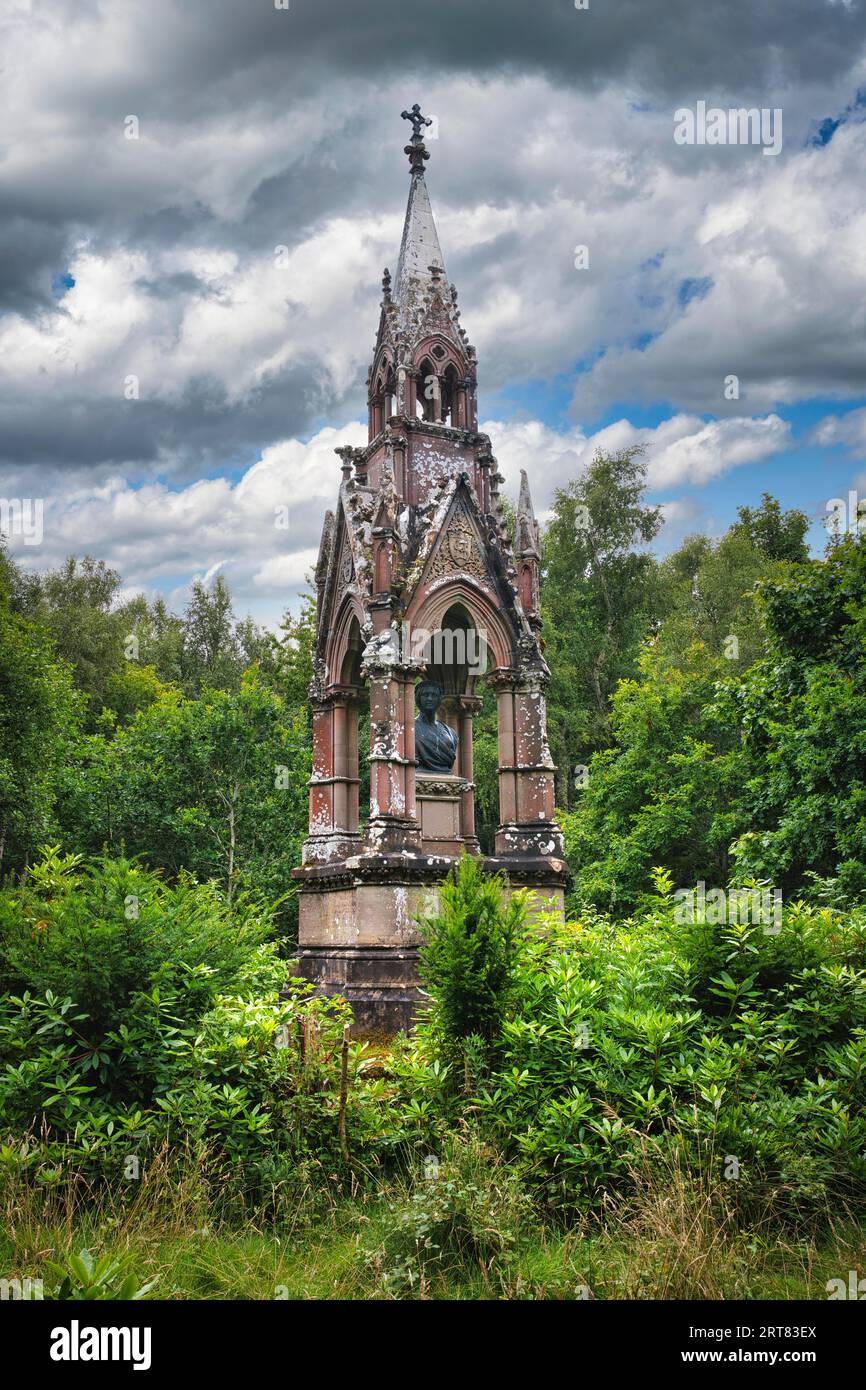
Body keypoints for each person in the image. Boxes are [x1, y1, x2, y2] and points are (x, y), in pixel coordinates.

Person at [414, 679, 458, 773]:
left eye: (434, 695)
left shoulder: (451, 733)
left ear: (439, 699)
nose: (430, 698)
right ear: (418, 698)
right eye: (425, 695)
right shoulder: (410, 730)